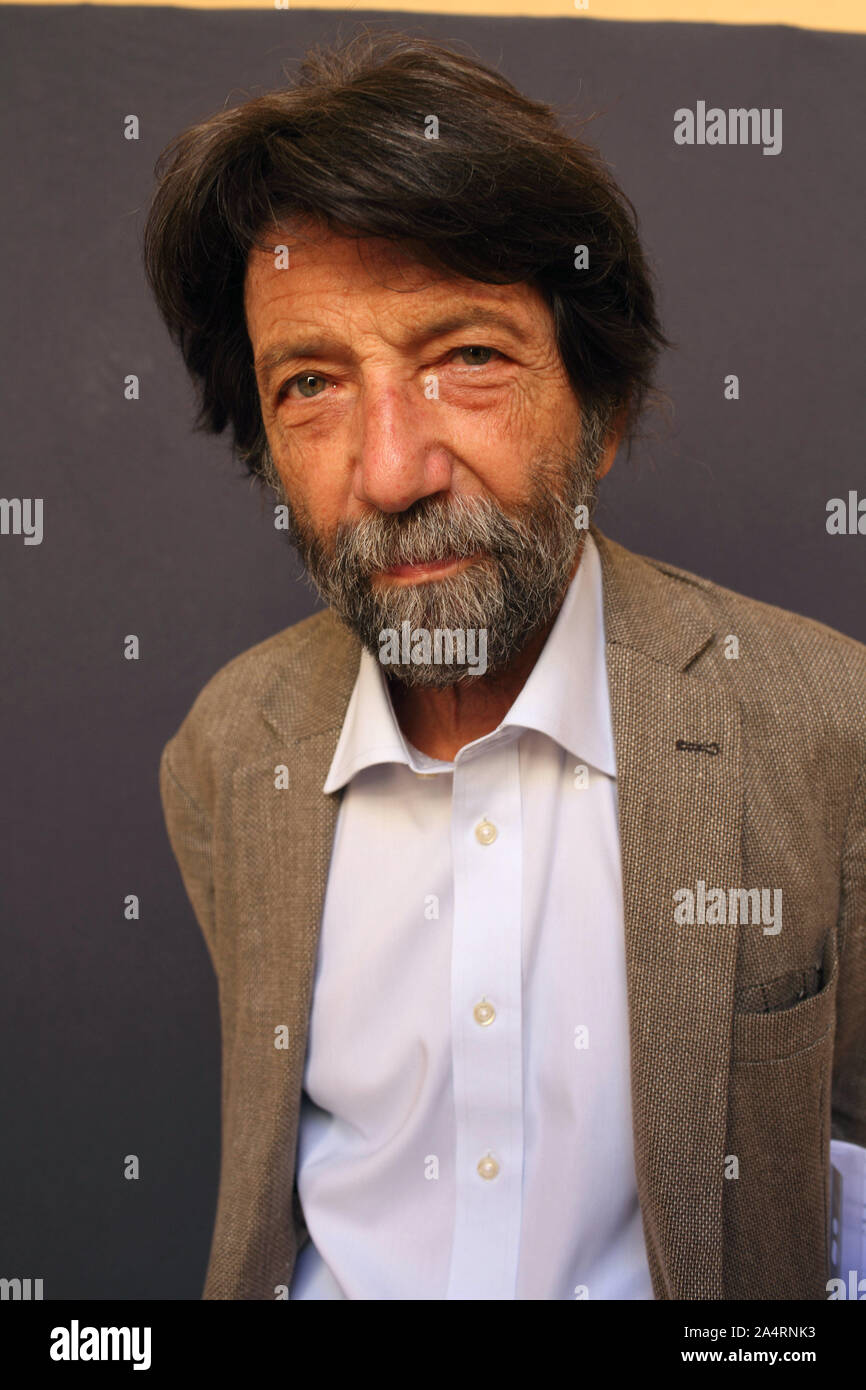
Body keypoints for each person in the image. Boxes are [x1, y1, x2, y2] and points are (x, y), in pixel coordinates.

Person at [144, 31, 866, 1300]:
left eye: (465, 357)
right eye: (311, 383)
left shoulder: (825, 730)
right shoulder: (224, 751)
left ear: (602, 409)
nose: (389, 469)